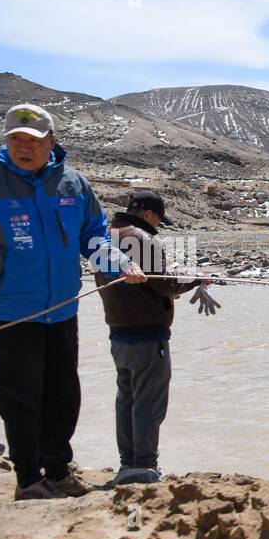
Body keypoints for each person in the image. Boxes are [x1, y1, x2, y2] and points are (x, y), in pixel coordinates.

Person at [0, 103, 145, 500]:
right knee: (21, 399)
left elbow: (94, 238)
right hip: (10, 313)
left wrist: (119, 265)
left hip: (61, 311)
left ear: (51, 141)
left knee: (64, 397)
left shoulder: (73, 185)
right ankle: (29, 480)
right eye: (14, 138)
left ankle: (59, 471)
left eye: (31, 140)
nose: (22, 147)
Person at [98, 190, 216, 485]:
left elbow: (148, 280)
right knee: (149, 404)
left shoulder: (105, 236)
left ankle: (127, 464)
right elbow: (163, 285)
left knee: (126, 400)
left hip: (118, 335)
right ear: (148, 214)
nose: (159, 226)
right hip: (148, 337)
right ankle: (145, 466)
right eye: (159, 220)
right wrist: (195, 277)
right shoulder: (141, 238)